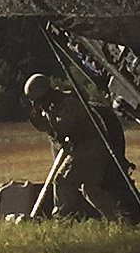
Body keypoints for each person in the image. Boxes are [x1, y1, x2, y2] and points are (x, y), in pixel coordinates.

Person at [24, 73, 127, 221]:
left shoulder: (68, 102)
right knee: (90, 189)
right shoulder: (53, 106)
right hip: (85, 149)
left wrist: (45, 119)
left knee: (62, 180)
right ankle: (119, 219)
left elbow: (61, 129)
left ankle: (61, 219)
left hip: (89, 148)